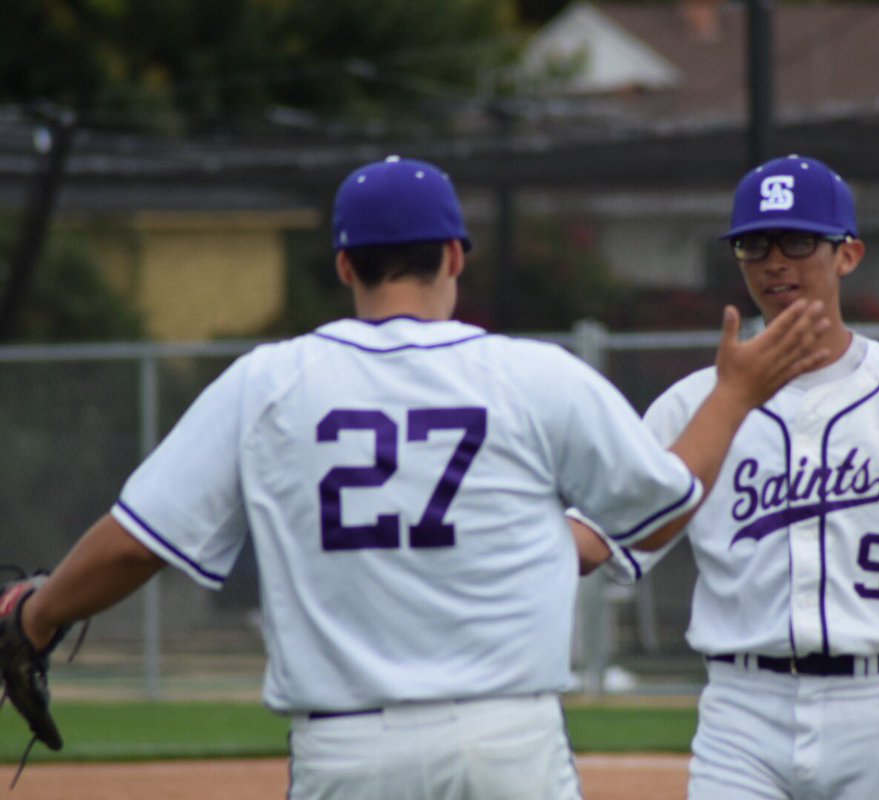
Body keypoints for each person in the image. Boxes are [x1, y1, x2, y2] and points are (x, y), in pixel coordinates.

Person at [6, 155, 829, 799]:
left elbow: (135, 541)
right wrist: (736, 393)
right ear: (453, 253)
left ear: (342, 264)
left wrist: (36, 616)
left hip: (346, 746)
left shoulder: (270, 382)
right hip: (506, 744)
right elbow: (667, 501)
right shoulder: (533, 375)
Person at [575, 154, 879, 799]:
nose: (775, 261)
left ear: (848, 255)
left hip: (874, 705)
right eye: (754, 244)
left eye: (797, 240)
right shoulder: (692, 405)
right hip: (740, 708)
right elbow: (604, 537)